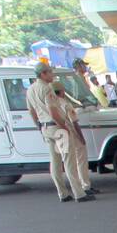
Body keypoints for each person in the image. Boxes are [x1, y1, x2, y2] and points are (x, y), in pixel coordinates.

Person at [25, 63, 90, 203]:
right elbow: (53, 111)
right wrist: (63, 126)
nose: (52, 75)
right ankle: (79, 193)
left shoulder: (30, 90)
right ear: (43, 74)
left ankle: (63, 193)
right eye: (49, 72)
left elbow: (31, 111)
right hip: (57, 127)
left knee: (54, 162)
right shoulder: (46, 88)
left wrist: (38, 126)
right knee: (69, 161)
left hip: (45, 128)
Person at [51, 83, 99, 195]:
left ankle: (71, 191)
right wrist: (81, 138)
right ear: (62, 91)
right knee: (80, 158)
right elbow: (74, 122)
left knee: (66, 162)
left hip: (58, 132)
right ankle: (85, 186)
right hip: (70, 131)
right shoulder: (65, 104)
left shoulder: (52, 104)